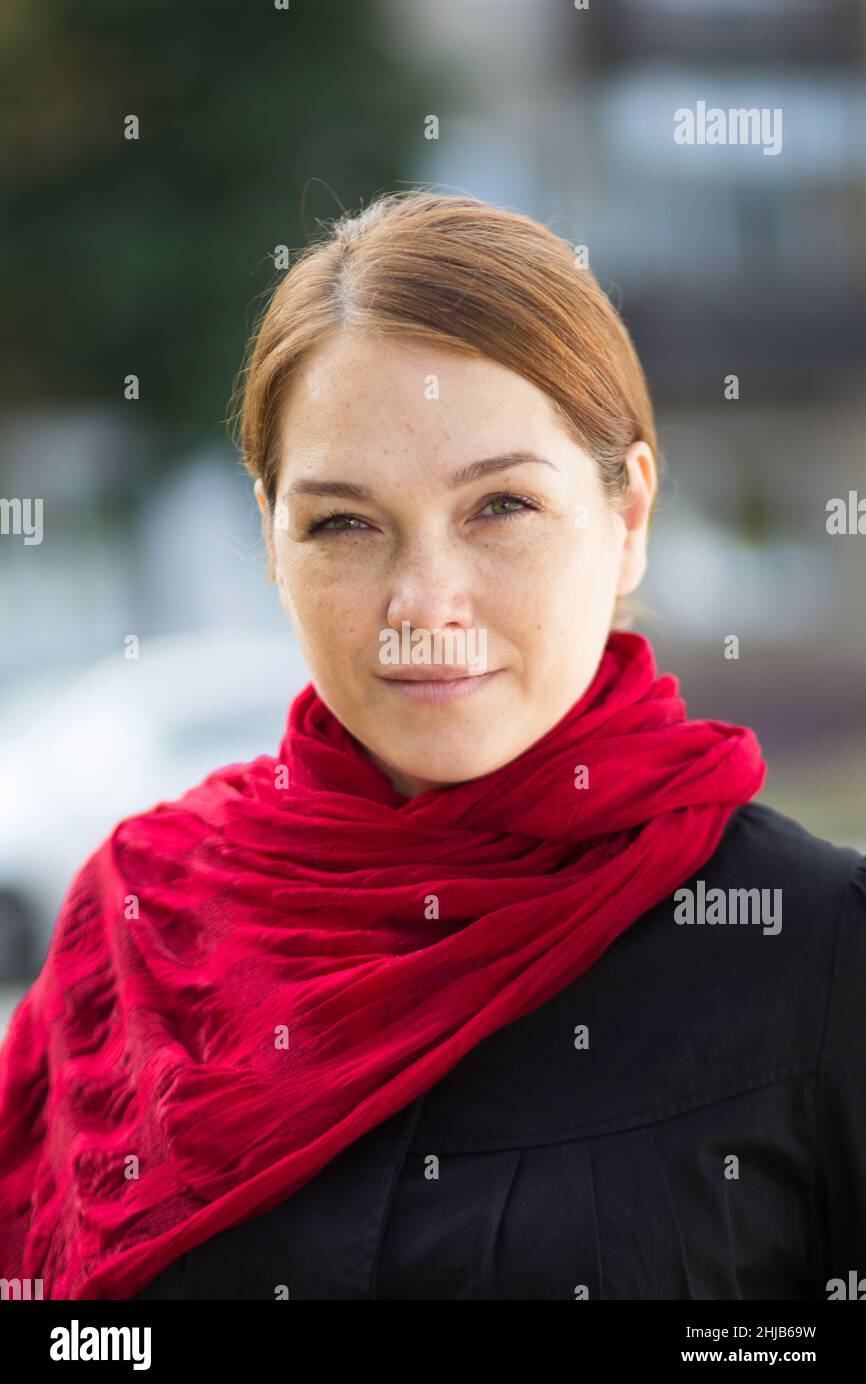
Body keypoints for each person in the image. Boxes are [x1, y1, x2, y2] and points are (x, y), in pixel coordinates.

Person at [1, 190, 863, 1301]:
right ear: (271, 537)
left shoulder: (816, 948)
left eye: (499, 506)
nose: (422, 605)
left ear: (628, 517)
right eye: (343, 523)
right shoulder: (138, 912)